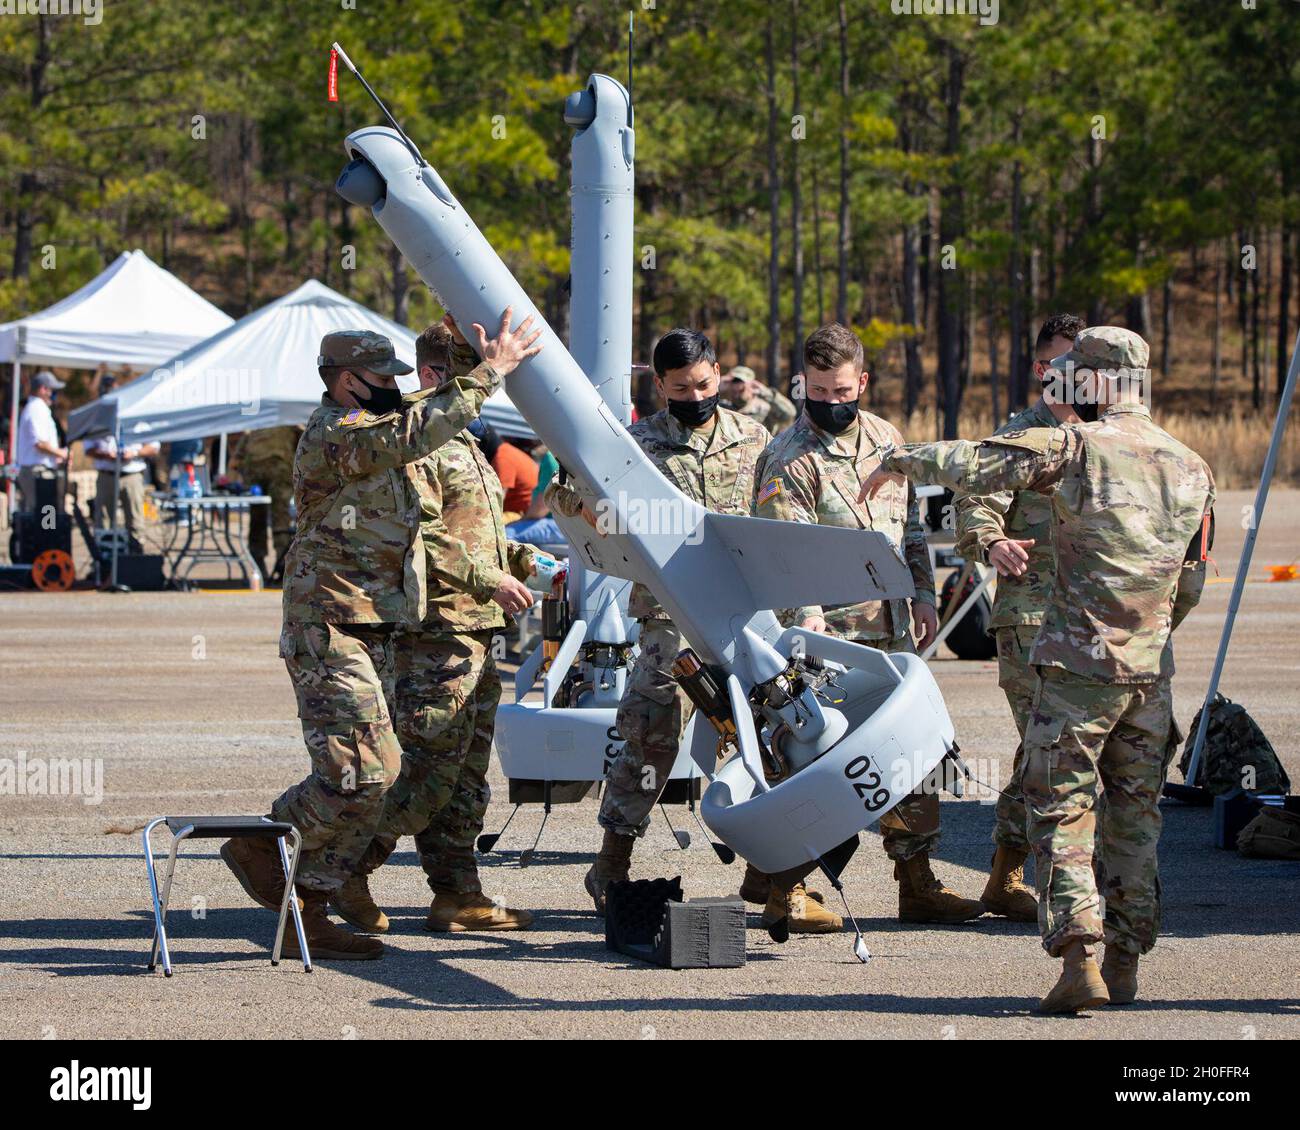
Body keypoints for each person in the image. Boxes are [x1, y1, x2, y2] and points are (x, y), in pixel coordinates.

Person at [862, 326, 1214, 1013]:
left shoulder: (1073, 445)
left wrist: (899, 458)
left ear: (1095, 382)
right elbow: (1192, 584)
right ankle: (1126, 961)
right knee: (1135, 822)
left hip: (1078, 672)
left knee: (1062, 812)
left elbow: (975, 463)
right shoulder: (1192, 466)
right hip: (1150, 677)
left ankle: (1079, 959)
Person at [219, 313, 541, 961]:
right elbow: (415, 428)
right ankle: (264, 840)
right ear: (343, 381)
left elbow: (433, 508)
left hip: (378, 626)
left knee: (375, 776)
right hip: (328, 624)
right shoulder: (336, 433)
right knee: (367, 773)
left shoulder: (383, 434)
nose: (394, 387)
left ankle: (306, 906)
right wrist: (489, 372)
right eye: (380, 377)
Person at [551, 328, 840, 933]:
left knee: (774, 737)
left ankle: (779, 880)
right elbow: (574, 493)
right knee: (647, 739)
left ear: (717, 374)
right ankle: (611, 865)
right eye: (681, 388)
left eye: (705, 384)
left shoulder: (754, 437)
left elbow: (778, 514)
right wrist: (581, 504)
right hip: (668, 622)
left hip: (745, 616)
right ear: (659, 386)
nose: (697, 395)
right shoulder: (635, 446)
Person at [754, 322, 982, 925]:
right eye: (818, 392)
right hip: (827, 642)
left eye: (841, 390)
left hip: (892, 629)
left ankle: (917, 880)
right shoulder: (788, 458)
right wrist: (810, 640)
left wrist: (925, 595)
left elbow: (909, 527)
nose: (831, 403)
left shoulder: (887, 440)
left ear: (863, 382)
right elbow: (785, 560)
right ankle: (789, 888)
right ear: (802, 384)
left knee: (913, 753)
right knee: (816, 759)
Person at [333, 315, 538, 934]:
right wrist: (488, 579)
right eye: (476, 375)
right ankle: (341, 873)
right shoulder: (416, 438)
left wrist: (527, 561)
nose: (488, 389)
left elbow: (476, 532)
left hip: (474, 630)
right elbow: (419, 536)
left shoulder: (466, 439)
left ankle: (457, 892)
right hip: (433, 632)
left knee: (466, 777)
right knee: (422, 773)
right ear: (433, 375)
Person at [953, 312, 1086, 922]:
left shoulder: (1110, 436)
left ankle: (1009, 876)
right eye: (1065, 364)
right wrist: (991, 542)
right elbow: (975, 497)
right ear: (1041, 369)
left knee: (1064, 751)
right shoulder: (1020, 434)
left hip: (1101, 620)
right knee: (1046, 748)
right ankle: (1047, 886)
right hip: (1032, 617)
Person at [235, 425, 301, 581]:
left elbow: (236, 460)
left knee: (260, 519)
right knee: (280, 519)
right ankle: (282, 565)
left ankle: (262, 565)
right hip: (279, 468)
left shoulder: (256, 423)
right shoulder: (290, 421)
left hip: (261, 471)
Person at [84, 432, 160, 552]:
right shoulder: (99, 418)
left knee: (135, 519)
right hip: (107, 473)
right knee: (104, 519)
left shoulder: (138, 418)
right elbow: (88, 448)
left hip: (132, 474)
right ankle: (105, 556)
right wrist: (106, 455)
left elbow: (154, 446)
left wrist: (134, 453)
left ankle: (136, 553)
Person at [16, 371, 68, 513]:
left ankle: (44, 533)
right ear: (43, 389)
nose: (53, 395)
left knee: (43, 513)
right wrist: (62, 453)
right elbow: (40, 444)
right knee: (44, 514)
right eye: (52, 390)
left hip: (39, 469)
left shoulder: (37, 408)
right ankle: (46, 534)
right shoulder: (37, 409)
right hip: (38, 472)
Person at [721, 365, 797, 436]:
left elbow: (790, 414)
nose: (737, 386)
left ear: (752, 385)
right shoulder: (723, 408)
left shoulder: (764, 408)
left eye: (741, 382)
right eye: (734, 382)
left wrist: (768, 393)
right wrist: (716, 388)